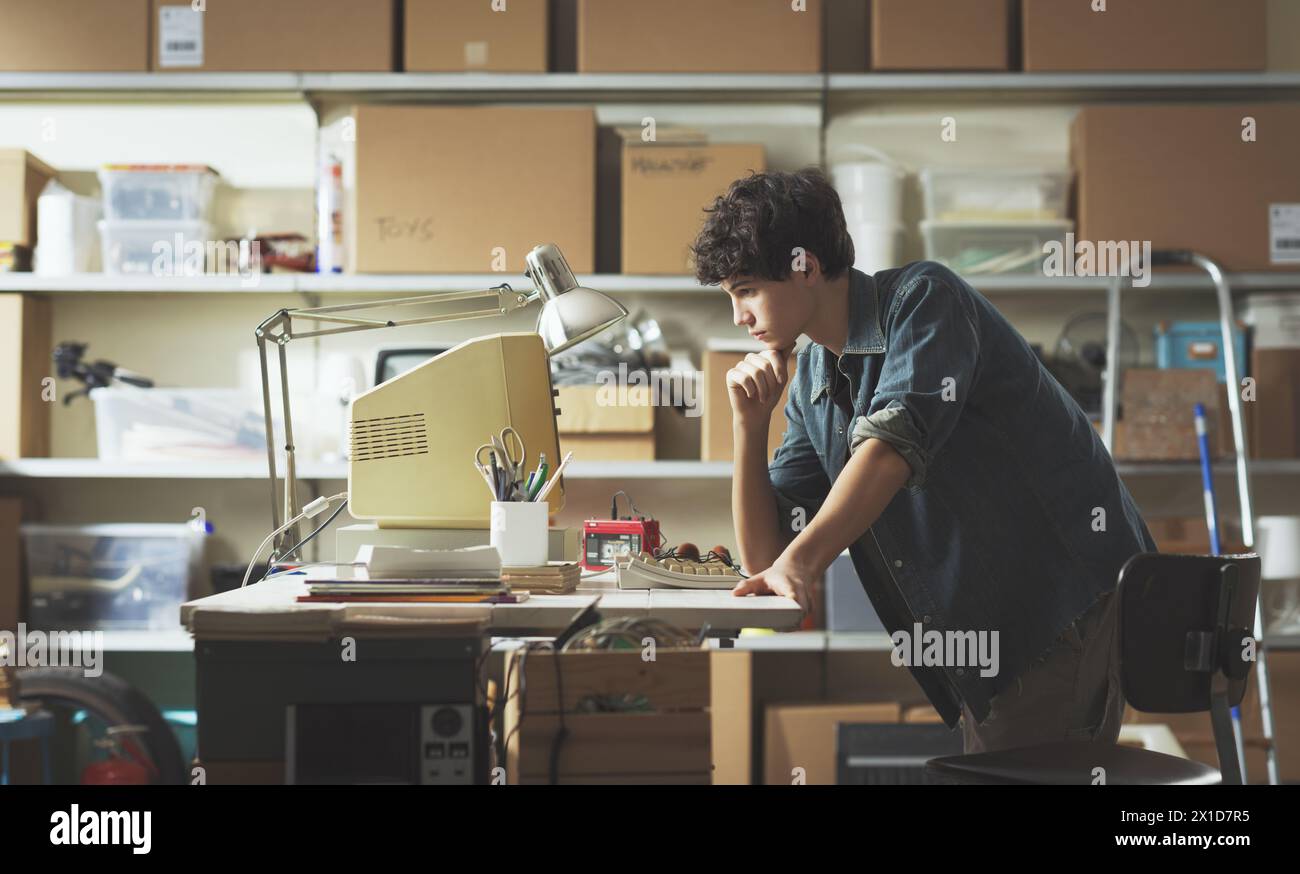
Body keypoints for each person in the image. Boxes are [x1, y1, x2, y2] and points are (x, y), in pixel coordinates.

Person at [690, 168, 1157, 753]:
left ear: (803, 266)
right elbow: (767, 558)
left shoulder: (923, 299)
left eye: (746, 290)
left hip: (1056, 604)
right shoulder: (814, 374)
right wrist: (748, 426)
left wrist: (805, 562)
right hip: (992, 631)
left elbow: (892, 447)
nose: (739, 316)